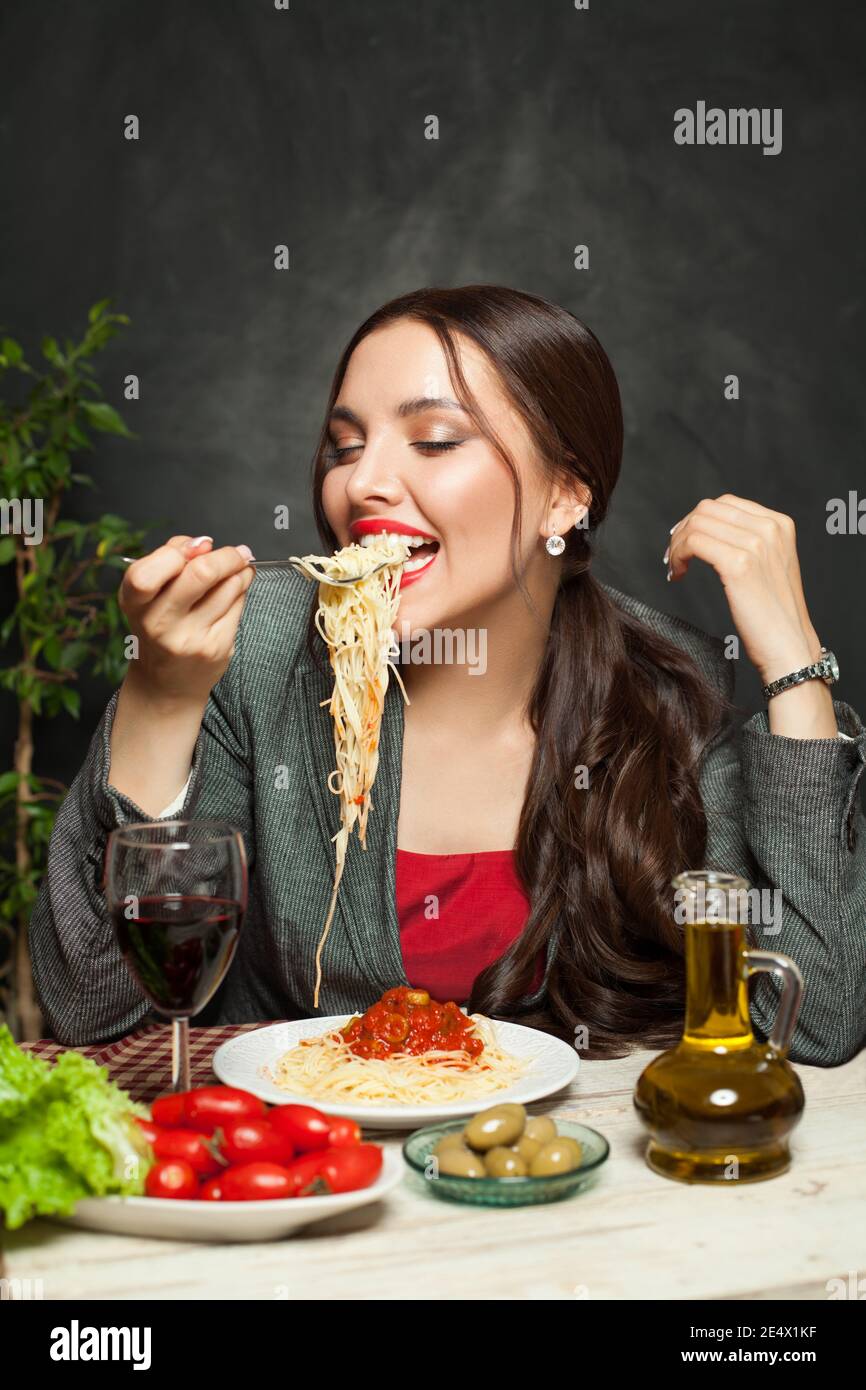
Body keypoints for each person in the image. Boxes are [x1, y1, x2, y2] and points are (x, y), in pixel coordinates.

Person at [29, 285, 866, 1062]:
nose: (363, 483)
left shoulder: (658, 690)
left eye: (434, 440)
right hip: (311, 1172)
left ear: (565, 494)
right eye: (344, 446)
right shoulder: (256, 649)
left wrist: (796, 663)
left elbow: (814, 1020)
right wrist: (161, 694)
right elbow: (95, 1012)